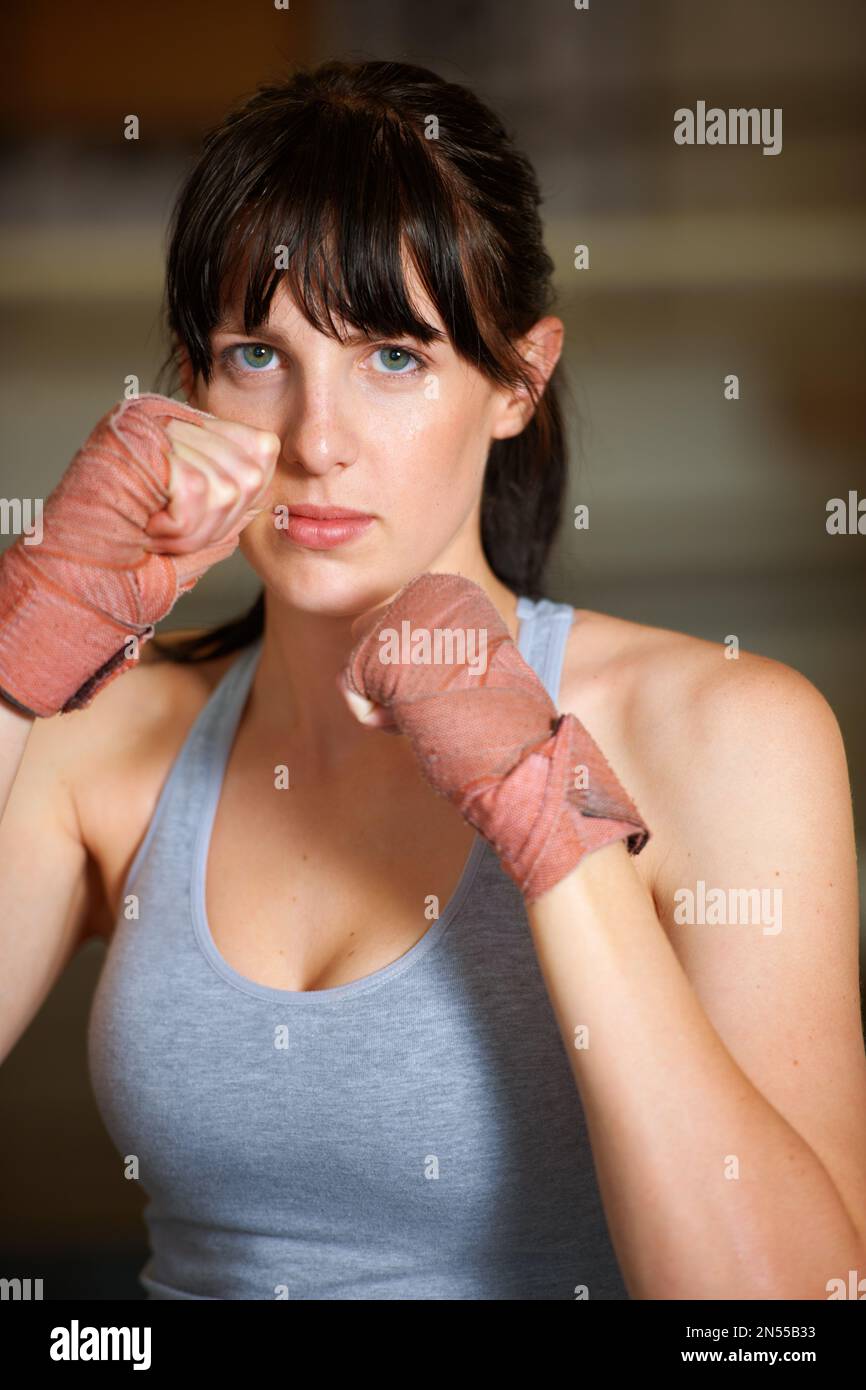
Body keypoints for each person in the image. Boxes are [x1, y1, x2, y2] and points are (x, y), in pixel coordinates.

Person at [1, 59, 864, 1302]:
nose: (314, 439)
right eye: (258, 354)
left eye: (393, 358)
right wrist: (19, 660)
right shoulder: (104, 734)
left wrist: (544, 810)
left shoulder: (725, 732)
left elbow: (779, 1322)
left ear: (516, 378)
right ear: (191, 382)